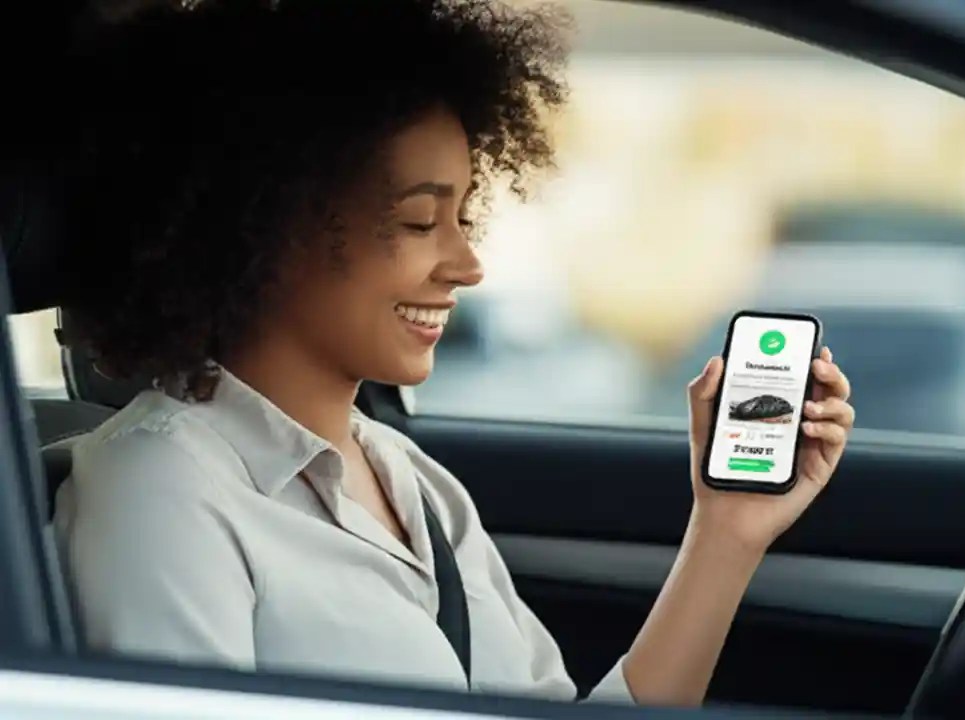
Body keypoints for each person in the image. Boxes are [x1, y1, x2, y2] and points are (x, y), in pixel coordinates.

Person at [52, 0, 855, 707]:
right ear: (266, 227)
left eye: (463, 217)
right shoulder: (158, 491)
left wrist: (728, 533)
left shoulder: (417, 484)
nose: (467, 265)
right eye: (416, 221)